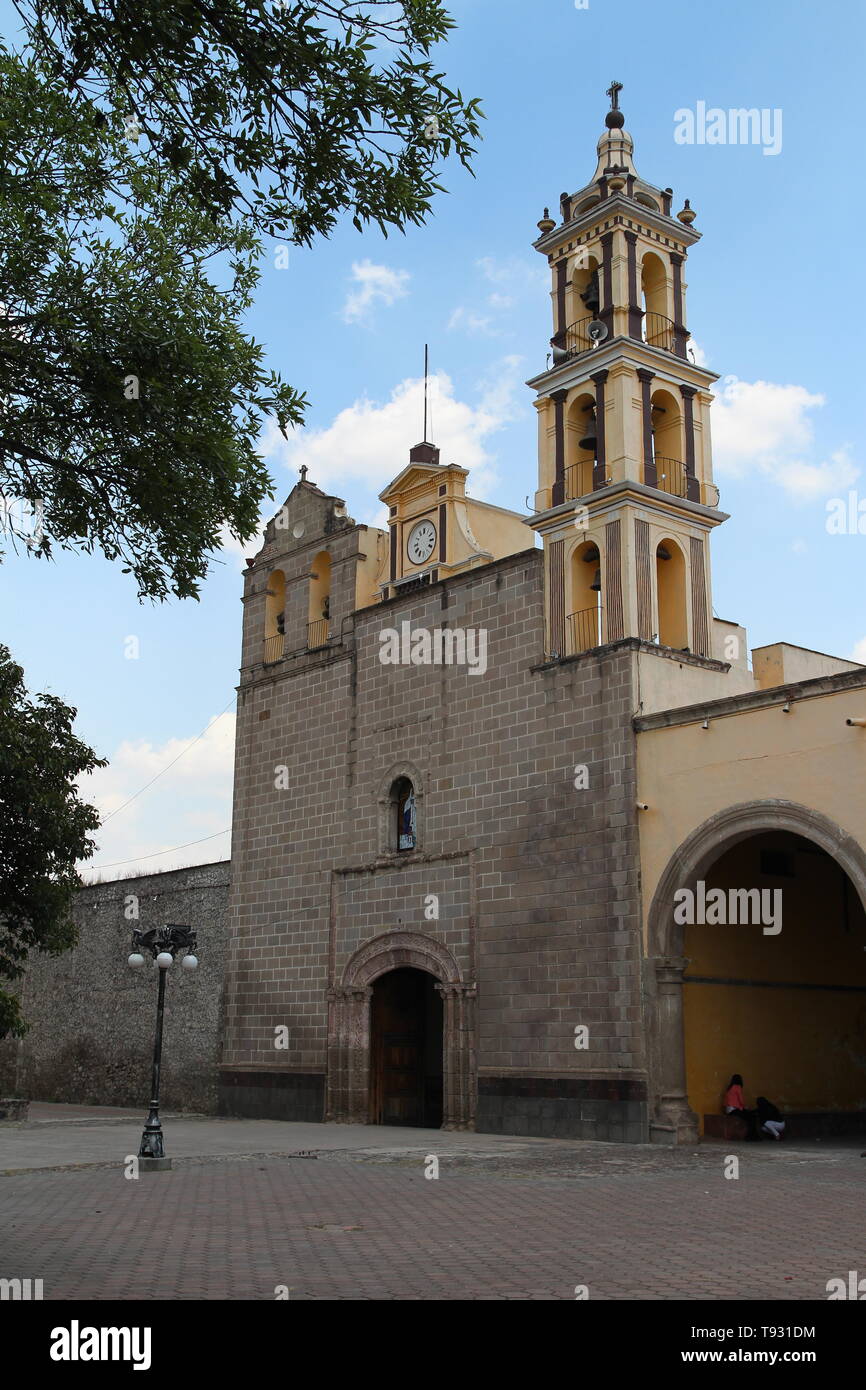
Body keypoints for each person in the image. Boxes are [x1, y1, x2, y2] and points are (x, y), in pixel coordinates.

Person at [723, 1073, 758, 1139]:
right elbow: (741, 1100)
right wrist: (744, 1107)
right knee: (752, 1117)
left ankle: (752, 1136)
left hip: (728, 1110)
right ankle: (751, 1136)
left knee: (748, 1116)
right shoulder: (737, 1087)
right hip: (734, 1109)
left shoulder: (729, 1088)